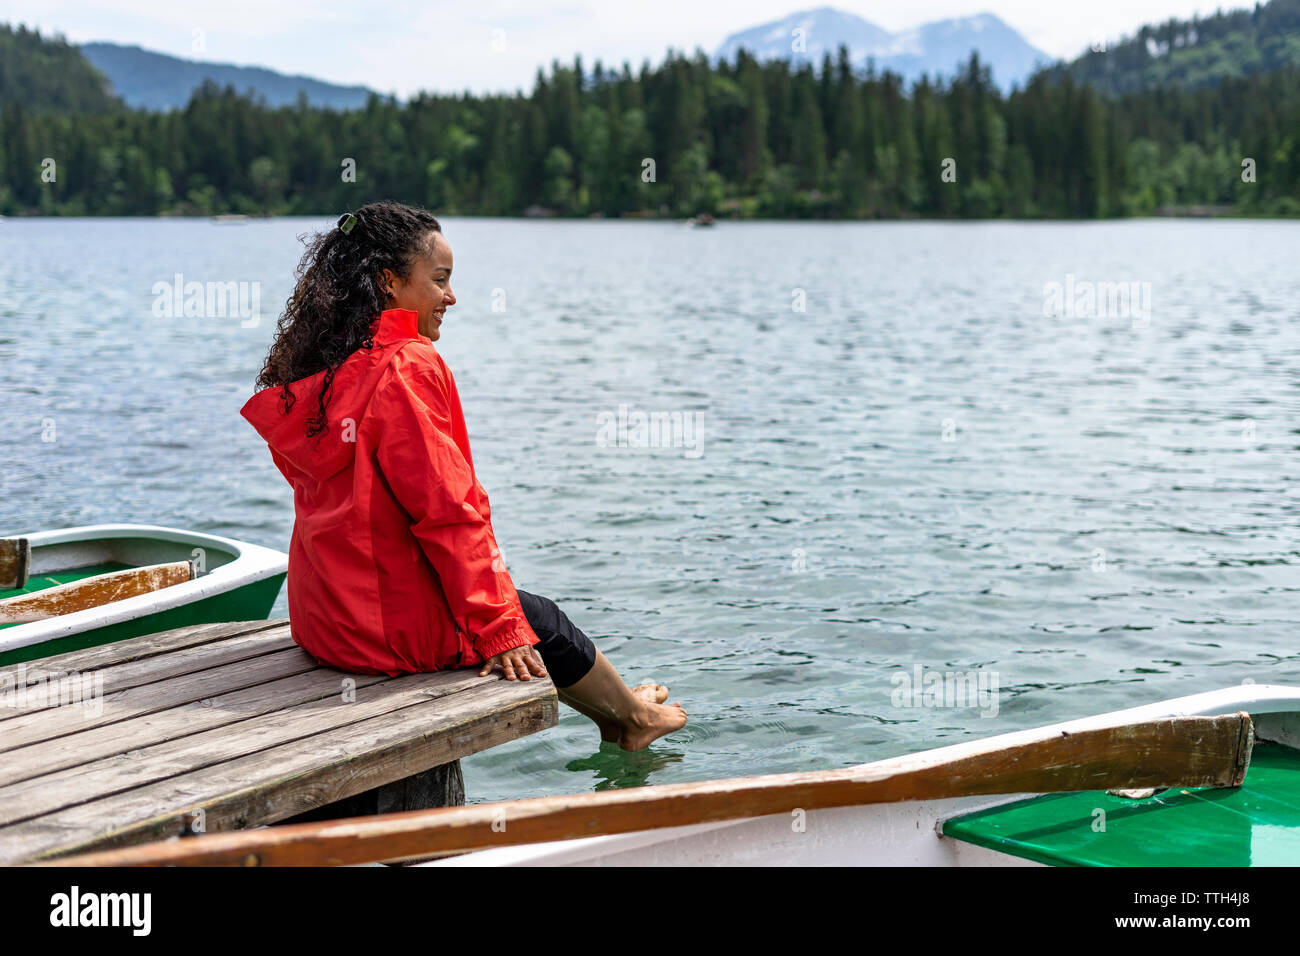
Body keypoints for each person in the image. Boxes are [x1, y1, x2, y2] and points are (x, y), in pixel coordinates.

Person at [240, 200, 686, 751]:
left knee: (521, 615)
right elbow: (448, 511)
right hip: (386, 634)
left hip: (327, 621)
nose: (451, 297)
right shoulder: (406, 365)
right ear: (388, 282)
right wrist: (498, 626)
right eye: (440, 281)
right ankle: (632, 720)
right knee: (537, 620)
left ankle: (621, 708)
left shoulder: (326, 371)